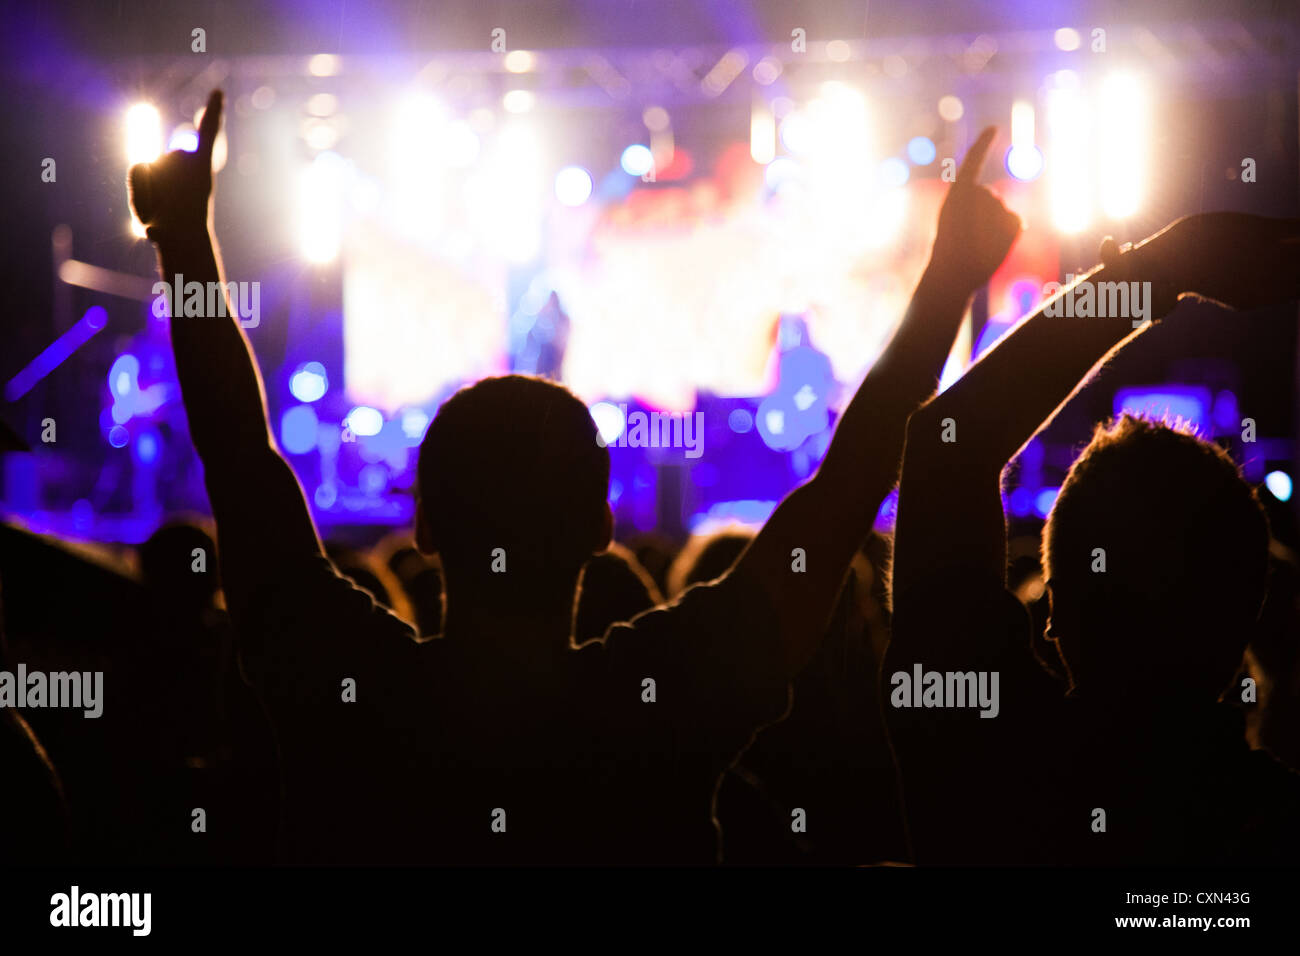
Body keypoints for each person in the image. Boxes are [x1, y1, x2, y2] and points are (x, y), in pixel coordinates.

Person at [128, 90, 1018, 863]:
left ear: (426, 526)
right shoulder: (663, 706)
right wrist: (945, 286)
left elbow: (238, 455)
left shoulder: (347, 691)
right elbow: (844, 491)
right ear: (601, 525)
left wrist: (183, 243)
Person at [885, 213, 1300, 864]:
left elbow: (949, 444)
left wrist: (1155, 273)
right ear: (1245, 619)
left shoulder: (987, 771)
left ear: (1054, 611)